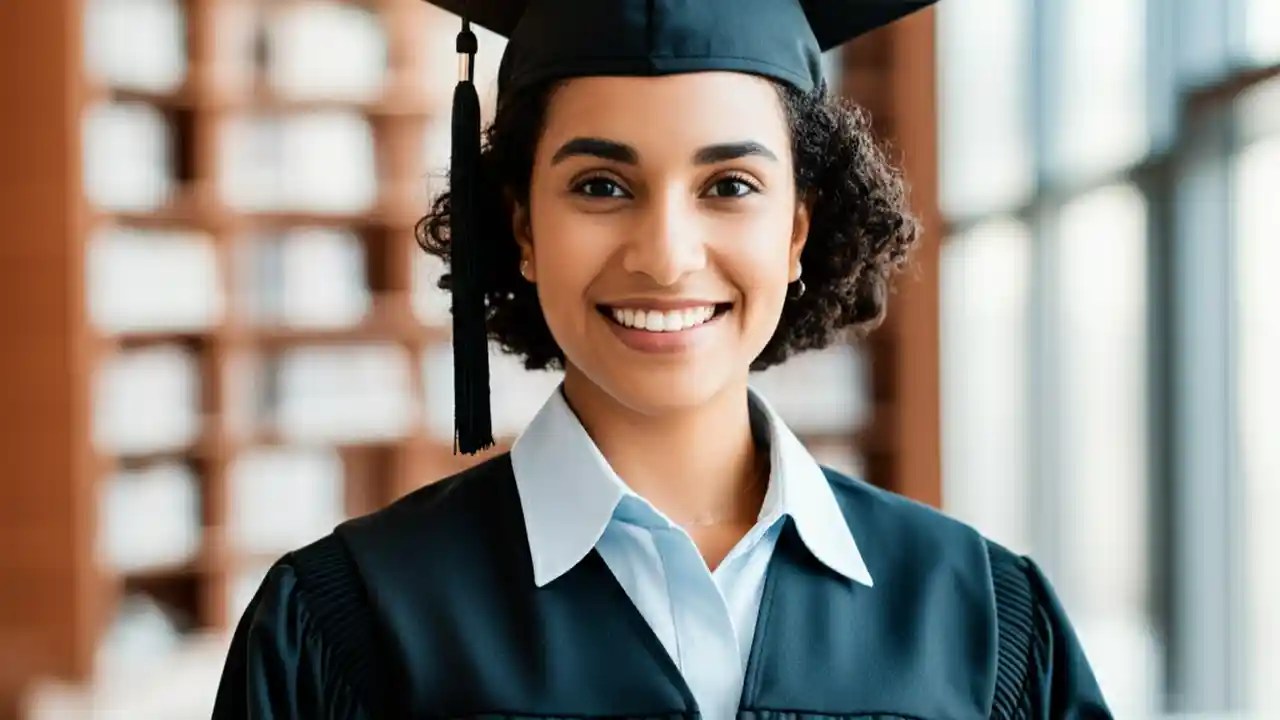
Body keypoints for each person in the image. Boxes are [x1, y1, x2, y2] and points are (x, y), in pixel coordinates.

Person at [213, 0, 1113, 717]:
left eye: (730, 187)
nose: (666, 254)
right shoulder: (348, 628)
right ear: (523, 228)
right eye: (601, 186)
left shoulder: (983, 623)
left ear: (798, 230)